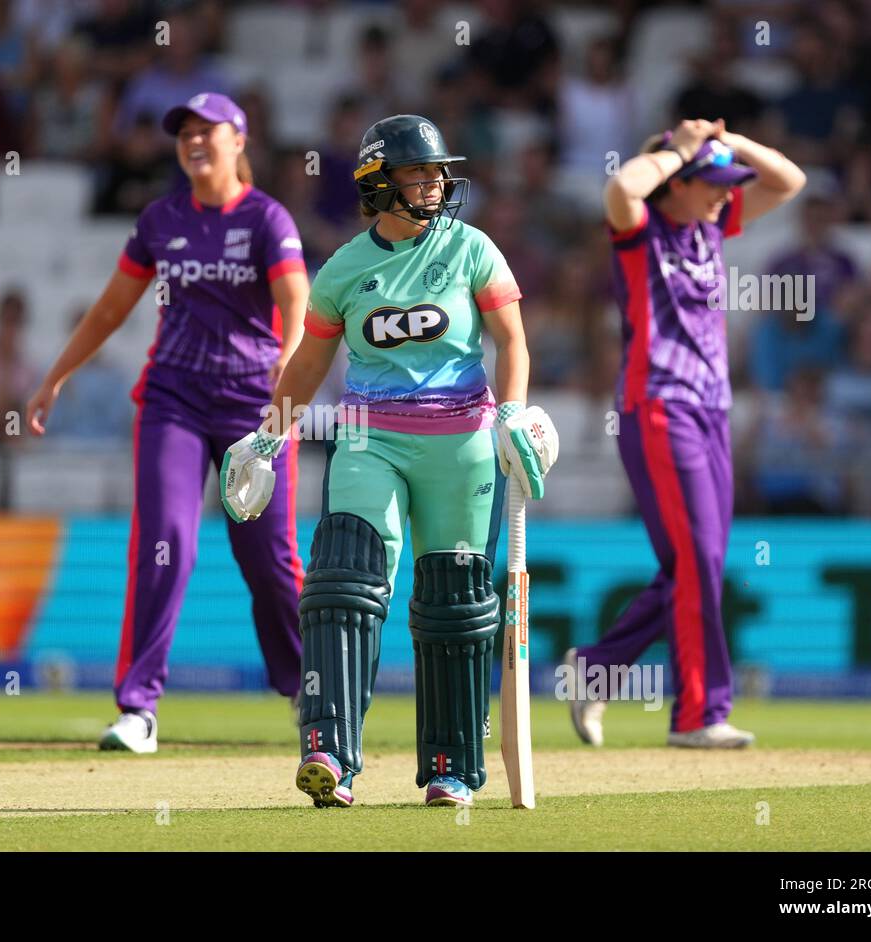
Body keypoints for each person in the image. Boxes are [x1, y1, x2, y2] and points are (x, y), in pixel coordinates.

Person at [221, 114, 559, 808]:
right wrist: (268, 436)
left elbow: (513, 341)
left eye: (438, 172)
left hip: (463, 442)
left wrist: (515, 409)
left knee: (455, 606)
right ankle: (329, 753)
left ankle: (451, 766)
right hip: (369, 439)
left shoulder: (473, 250)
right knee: (342, 581)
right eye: (417, 173)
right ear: (379, 182)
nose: (435, 184)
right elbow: (308, 364)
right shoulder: (345, 268)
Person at [25, 93, 309, 754]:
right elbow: (109, 310)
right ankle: (137, 707)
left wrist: (286, 391)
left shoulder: (267, 219)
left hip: (254, 407)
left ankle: (305, 689)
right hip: (172, 400)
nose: (193, 142)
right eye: (184, 133)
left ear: (240, 140)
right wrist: (55, 376)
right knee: (165, 545)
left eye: (207, 131)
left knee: (267, 557)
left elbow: (297, 304)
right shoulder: (161, 219)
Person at [566, 118, 805, 749]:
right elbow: (620, 191)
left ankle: (595, 670)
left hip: (712, 411)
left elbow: (790, 179)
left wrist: (729, 140)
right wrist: (679, 151)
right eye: (715, 183)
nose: (727, 194)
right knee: (697, 561)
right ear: (677, 181)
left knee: (696, 565)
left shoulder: (709, 227)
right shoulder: (641, 233)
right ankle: (699, 712)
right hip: (660, 408)